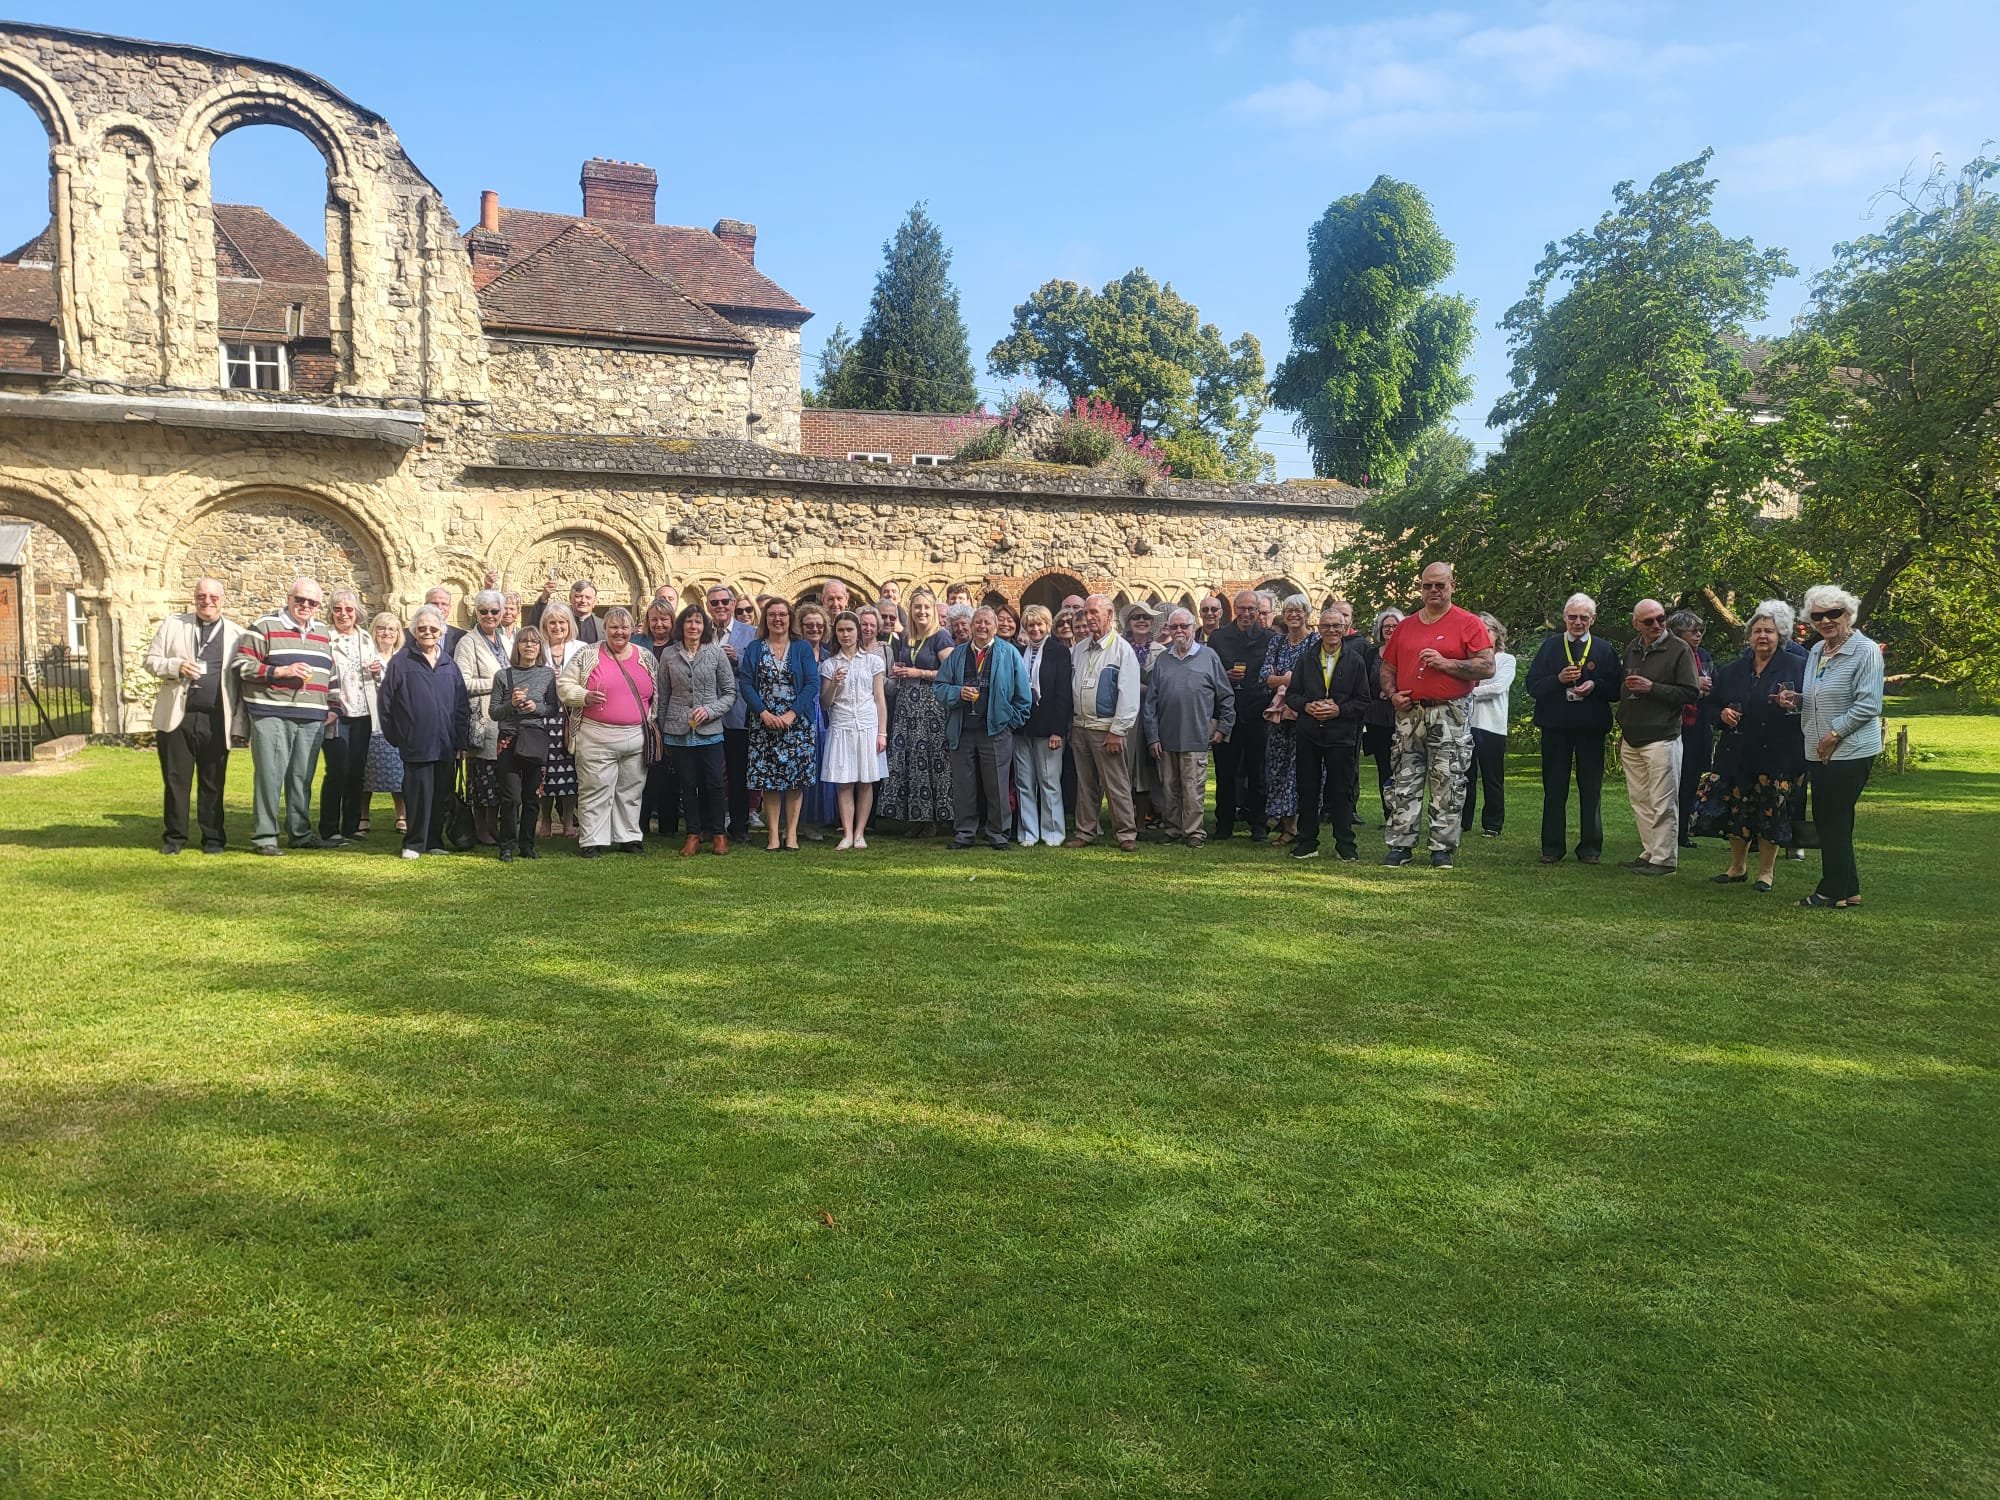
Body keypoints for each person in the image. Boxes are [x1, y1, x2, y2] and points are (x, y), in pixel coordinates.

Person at [1377, 563, 1493, 868]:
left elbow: (1486, 666)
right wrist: (1392, 694)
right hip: (1409, 712)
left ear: (1452, 586)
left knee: (1448, 780)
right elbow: (1387, 667)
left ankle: (1442, 846)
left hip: (1449, 712)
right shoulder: (1406, 626)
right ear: (1421, 588)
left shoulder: (1468, 623)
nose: (1433, 591)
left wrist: (1447, 664)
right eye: (1427, 586)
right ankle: (1401, 844)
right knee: (1404, 777)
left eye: (1439, 585)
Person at [1780, 584, 1883, 909]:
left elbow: (1868, 704)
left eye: (1833, 614)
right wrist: (1795, 700)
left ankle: (1831, 889)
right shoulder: (1816, 651)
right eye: (1818, 615)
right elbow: (1817, 696)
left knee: (1832, 819)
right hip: (1818, 747)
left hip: (1849, 750)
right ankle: (1849, 888)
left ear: (1848, 614)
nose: (1825, 621)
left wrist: (1834, 735)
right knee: (1832, 819)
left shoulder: (1865, 650)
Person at [1694, 602, 1806, 893]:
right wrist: (1721, 715)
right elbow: (1709, 705)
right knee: (1736, 811)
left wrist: (1796, 702)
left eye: (1769, 631)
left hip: (1778, 754)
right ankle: (1737, 867)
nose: (1763, 636)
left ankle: (1766, 873)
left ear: (1780, 635)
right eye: (1757, 631)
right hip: (1736, 753)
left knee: (1770, 812)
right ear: (1749, 637)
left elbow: (1813, 706)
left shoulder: (1798, 666)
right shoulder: (1732, 670)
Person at [235, 576, 337, 855]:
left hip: (312, 715)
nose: (305, 605)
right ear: (289, 598)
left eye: (312, 602)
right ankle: (266, 837)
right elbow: (242, 665)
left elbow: (332, 673)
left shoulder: (323, 633)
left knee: (301, 777)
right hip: (271, 712)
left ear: (318, 606)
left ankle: (300, 834)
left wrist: (334, 707)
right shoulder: (264, 626)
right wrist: (280, 671)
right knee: (270, 776)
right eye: (300, 599)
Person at [143, 577, 246, 855]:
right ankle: (174, 838)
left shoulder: (237, 634)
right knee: (176, 780)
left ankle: (213, 838)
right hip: (178, 715)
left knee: (213, 781)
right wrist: (176, 666)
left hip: (216, 718)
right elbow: (150, 661)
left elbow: (241, 682)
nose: (207, 601)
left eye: (213, 597)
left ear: (222, 600)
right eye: (202, 596)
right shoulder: (174, 625)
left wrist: (240, 725)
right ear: (195, 598)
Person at [1523, 593, 1623, 865]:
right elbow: (1532, 686)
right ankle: (1552, 847)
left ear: (1593, 619)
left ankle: (1590, 848)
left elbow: (1617, 690)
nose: (1577, 622)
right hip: (1555, 727)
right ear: (1564, 618)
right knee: (1554, 788)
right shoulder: (1550, 648)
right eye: (1572, 617)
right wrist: (1558, 679)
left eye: (1583, 617)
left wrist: (1595, 686)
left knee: (1590, 788)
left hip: (1591, 728)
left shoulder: (1604, 649)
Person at [558, 605, 656, 858]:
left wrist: (650, 719)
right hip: (596, 735)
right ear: (605, 629)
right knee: (594, 788)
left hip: (636, 736)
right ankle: (592, 839)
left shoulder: (645, 656)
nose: (619, 632)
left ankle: (629, 836)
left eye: (624, 627)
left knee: (631, 789)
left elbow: (657, 693)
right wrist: (584, 695)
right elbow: (564, 685)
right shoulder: (587, 654)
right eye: (613, 627)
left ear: (632, 629)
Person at [376, 606, 470, 859]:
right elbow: (386, 703)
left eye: (433, 628)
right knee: (417, 795)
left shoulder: (450, 664)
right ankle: (414, 842)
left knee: (440, 794)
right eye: (422, 628)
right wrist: (397, 736)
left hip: (445, 744)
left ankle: (434, 840)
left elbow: (461, 705)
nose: (428, 632)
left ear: (442, 631)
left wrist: (461, 740)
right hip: (416, 742)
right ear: (414, 631)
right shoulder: (401, 661)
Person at [1615, 599, 1701, 875]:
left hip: (1662, 734)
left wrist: (1652, 688)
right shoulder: (1633, 647)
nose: (1657, 625)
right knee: (1640, 799)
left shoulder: (1679, 649)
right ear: (1636, 624)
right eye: (1649, 621)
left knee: (1663, 800)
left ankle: (1664, 859)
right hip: (1633, 733)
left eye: (1661, 619)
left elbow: (1691, 692)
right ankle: (1649, 851)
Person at [1286, 603, 1376, 861]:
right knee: (1307, 788)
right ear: (1318, 628)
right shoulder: (1306, 659)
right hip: (1309, 733)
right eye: (1326, 626)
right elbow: (1292, 695)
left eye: (1337, 626)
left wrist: (1339, 710)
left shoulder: (1356, 660)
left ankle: (1345, 844)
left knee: (1341, 790)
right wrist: (1307, 705)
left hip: (1341, 735)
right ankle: (1307, 842)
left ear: (1345, 628)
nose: (1331, 630)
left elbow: (1363, 701)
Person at [934, 606, 1030, 850]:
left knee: (996, 785)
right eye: (978, 622)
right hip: (963, 730)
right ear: (971, 625)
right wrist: (958, 692)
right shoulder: (957, 655)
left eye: (988, 623)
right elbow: (940, 687)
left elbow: (1023, 696)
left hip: (996, 731)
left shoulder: (1008, 654)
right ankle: (965, 833)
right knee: (964, 785)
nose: (982, 627)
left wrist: (1010, 722)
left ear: (995, 627)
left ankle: (998, 834)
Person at [1146, 608, 1235, 846]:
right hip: (1166, 737)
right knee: (1169, 788)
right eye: (1174, 627)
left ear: (1192, 628)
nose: (1179, 631)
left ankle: (1194, 832)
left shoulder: (1208, 656)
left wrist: (1224, 727)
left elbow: (1225, 695)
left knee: (1193, 787)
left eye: (1183, 626)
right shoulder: (1163, 659)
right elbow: (1151, 702)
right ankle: (1173, 829)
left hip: (1196, 734)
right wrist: (1152, 736)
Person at [739, 597, 820, 852]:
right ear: (765, 619)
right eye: (772, 614)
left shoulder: (802, 648)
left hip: (796, 723)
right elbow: (746, 684)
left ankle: (792, 833)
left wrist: (792, 714)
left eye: (782, 614)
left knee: (795, 781)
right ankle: (773, 834)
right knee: (770, 780)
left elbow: (811, 684)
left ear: (790, 618)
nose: (777, 619)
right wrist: (763, 712)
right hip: (765, 723)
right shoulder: (754, 648)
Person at [656, 602, 736, 857]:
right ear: (682, 626)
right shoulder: (669, 654)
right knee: (687, 785)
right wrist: (663, 728)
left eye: (698, 622)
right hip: (678, 731)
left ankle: (718, 834)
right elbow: (663, 694)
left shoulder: (715, 653)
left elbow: (730, 692)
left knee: (713, 784)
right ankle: (692, 834)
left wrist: (710, 711)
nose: (694, 626)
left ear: (705, 626)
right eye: (689, 621)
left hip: (709, 731)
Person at [1065, 593, 1142, 851]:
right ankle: (1085, 831)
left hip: (1106, 729)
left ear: (1109, 615)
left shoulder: (1122, 650)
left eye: (1093, 613)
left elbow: (1129, 694)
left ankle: (1126, 834)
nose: (1088, 618)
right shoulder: (1078, 649)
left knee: (1116, 783)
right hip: (1081, 727)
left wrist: (1118, 731)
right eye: (1085, 613)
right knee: (1085, 784)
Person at [880, 589, 954, 835]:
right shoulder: (908, 638)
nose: (921, 611)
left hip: (930, 707)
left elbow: (951, 673)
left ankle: (932, 818)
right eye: (917, 607)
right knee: (909, 760)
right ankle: (915, 817)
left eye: (926, 607)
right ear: (910, 611)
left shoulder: (941, 637)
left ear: (933, 610)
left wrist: (918, 673)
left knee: (931, 760)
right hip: (906, 707)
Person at [1207, 589, 1276, 841]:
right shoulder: (1219, 637)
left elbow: (1274, 671)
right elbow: (1210, 673)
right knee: (1225, 771)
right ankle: (1224, 823)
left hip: (1258, 710)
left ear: (1258, 611)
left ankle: (1258, 823)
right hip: (1228, 711)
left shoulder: (1269, 638)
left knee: (1258, 770)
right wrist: (1225, 675)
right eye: (1242, 609)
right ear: (1234, 609)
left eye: (1252, 609)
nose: (1247, 614)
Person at [488, 626, 560, 861]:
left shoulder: (547, 675)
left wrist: (535, 707)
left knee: (532, 797)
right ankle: (506, 845)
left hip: (535, 739)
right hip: (509, 739)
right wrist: (512, 704)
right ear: (517, 646)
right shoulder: (503, 675)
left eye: (534, 643)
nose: (529, 646)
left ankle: (527, 845)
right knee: (511, 798)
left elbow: (553, 707)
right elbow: (494, 712)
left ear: (540, 648)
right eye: (524, 642)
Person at [317, 588, 382, 846]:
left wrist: (378, 671)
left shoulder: (365, 638)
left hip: (363, 711)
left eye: (349, 609)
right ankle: (329, 827)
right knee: (337, 770)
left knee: (357, 771)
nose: (344, 614)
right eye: (338, 609)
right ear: (331, 612)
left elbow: (378, 673)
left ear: (357, 613)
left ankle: (352, 825)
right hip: (337, 712)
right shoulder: (324, 637)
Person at [820, 610, 889, 850]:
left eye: (849, 629)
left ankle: (860, 833)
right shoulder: (830, 664)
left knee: (866, 781)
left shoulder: (873, 661)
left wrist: (883, 733)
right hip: (842, 725)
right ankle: (847, 833)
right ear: (835, 634)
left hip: (868, 725)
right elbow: (825, 703)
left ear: (858, 631)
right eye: (841, 630)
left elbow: (880, 699)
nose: (845, 634)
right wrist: (835, 684)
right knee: (845, 782)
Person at [1012, 604, 1073, 848]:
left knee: (1049, 782)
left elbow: (1063, 694)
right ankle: (1028, 832)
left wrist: (1058, 730)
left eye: (1039, 624)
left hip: (1049, 729)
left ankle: (1053, 832)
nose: (1035, 629)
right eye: (1031, 625)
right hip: (1022, 728)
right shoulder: (1019, 651)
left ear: (1047, 626)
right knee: (1025, 783)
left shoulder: (1058, 652)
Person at [454, 589, 511, 846]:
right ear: (476, 612)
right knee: (482, 777)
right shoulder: (468, 642)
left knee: (499, 777)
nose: (489, 616)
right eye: (483, 611)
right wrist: (498, 681)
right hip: (482, 720)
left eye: (494, 611)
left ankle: (493, 826)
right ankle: (480, 828)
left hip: (505, 720)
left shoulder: (505, 640)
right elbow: (462, 682)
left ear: (502, 613)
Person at [704, 584, 758, 844]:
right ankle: (711, 825)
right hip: (708, 712)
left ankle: (739, 825)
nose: (720, 607)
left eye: (725, 601)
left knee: (738, 773)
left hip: (738, 712)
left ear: (733, 603)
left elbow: (760, 668)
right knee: (710, 773)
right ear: (708, 607)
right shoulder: (702, 632)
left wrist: (738, 658)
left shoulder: (752, 633)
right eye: (714, 603)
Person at [1259, 594, 1314, 845]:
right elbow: (1264, 677)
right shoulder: (1277, 643)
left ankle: (1295, 828)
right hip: (1279, 717)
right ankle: (1284, 820)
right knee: (1277, 770)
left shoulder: (1315, 641)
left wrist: (1281, 679)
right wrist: (1288, 679)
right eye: (1289, 610)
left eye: (1299, 611)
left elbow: (1311, 679)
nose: (1294, 615)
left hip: (1304, 715)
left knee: (1299, 770)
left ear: (1306, 614)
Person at [630, 597, 683, 843]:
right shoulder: (637, 643)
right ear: (647, 622)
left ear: (672, 621)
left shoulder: (680, 645)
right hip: (642, 714)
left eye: (664, 619)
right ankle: (640, 824)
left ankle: (668, 824)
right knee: (643, 771)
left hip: (673, 713)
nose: (659, 624)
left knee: (670, 772)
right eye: (654, 619)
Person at [1461, 612, 1516, 840]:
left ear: (1497, 634)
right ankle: (1463, 821)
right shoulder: (1469, 660)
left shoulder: (1506, 659)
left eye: (1487, 631)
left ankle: (1493, 824)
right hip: (1467, 724)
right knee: (1465, 775)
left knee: (1492, 777)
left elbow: (1497, 687)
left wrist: (1467, 692)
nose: (1483, 635)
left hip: (1492, 726)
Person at [536, 603, 585, 840]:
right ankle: (545, 819)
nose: (557, 627)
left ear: (569, 625)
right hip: (544, 718)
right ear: (545, 625)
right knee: (543, 770)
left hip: (572, 717)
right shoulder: (537, 648)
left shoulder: (581, 649)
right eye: (552, 622)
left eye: (562, 622)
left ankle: (568, 821)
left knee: (570, 770)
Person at [1668, 609, 1717, 850]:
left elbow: (1715, 685)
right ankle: (1667, 831)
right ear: (1678, 633)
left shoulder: (1704, 656)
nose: (1698, 635)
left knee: (1691, 780)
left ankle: (1683, 831)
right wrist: (1693, 684)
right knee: (1671, 781)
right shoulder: (1670, 654)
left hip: (1699, 725)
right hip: (1674, 724)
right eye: (1693, 631)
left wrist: (1707, 689)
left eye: (1701, 631)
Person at [363, 610, 409, 837]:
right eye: (382, 628)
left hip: (395, 721)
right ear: (374, 631)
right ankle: (363, 815)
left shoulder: (403, 658)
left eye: (392, 629)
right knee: (366, 771)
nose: (387, 633)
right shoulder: (368, 656)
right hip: (370, 717)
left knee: (398, 772)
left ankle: (401, 814)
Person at [796, 601, 838, 841]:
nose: (814, 629)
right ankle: (792, 820)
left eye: (819, 626)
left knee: (816, 767)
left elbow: (824, 698)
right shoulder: (794, 651)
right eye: (809, 625)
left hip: (820, 717)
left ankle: (811, 822)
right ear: (801, 627)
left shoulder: (827, 656)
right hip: (797, 713)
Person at [1362, 608, 1403, 820]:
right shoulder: (1371, 653)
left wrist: (1394, 691)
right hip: (1376, 715)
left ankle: (1403, 813)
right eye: (1386, 626)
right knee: (1383, 766)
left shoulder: (1407, 650)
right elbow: (1362, 681)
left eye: (1395, 626)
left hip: (1401, 713)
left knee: (1403, 765)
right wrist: (1378, 693)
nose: (1390, 630)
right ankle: (1388, 813)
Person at [528, 576, 603, 643]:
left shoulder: (603, 625)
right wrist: (543, 598)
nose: (583, 601)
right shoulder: (559, 622)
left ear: (595, 602)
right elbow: (533, 628)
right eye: (578, 596)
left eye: (588, 597)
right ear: (570, 599)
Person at [408, 585, 467, 657]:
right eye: (434, 603)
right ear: (425, 605)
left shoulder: (461, 636)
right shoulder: (405, 636)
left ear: (449, 607)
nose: (439, 607)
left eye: (444, 604)